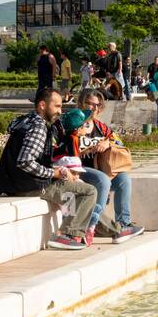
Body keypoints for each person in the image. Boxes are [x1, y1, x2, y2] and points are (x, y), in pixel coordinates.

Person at [0, 86, 98, 250]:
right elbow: (25, 161)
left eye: (61, 106)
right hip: (28, 186)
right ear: (42, 105)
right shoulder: (39, 127)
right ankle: (67, 235)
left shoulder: (27, 121)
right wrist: (55, 172)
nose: (60, 111)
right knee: (89, 191)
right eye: (57, 106)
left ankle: (108, 229)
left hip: (16, 183)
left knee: (70, 193)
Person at [52, 91, 145, 245]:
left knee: (123, 180)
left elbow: (119, 143)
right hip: (74, 169)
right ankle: (93, 224)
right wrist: (84, 149)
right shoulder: (70, 121)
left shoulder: (101, 127)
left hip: (95, 168)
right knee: (102, 180)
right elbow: (58, 148)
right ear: (81, 102)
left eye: (97, 105)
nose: (94, 108)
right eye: (90, 103)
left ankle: (124, 223)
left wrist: (107, 143)